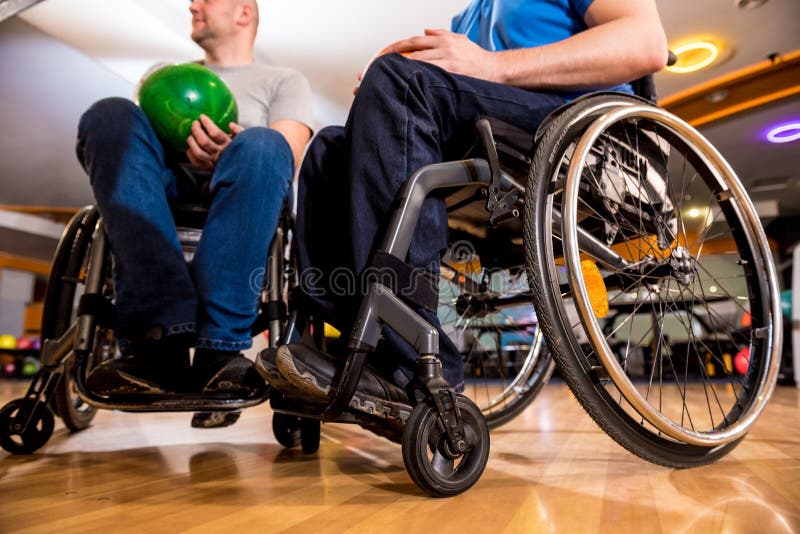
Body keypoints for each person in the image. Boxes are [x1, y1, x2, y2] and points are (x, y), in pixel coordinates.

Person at [260, 0, 667, 408]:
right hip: (509, 142)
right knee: (332, 148)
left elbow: (645, 43)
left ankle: (416, 359)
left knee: (399, 84)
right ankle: (352, 342)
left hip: (594, 140)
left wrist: (490, 67)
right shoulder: (471, 17)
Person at [76, 0, 313, 423]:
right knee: (109, 114)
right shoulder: (164, 76)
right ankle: (157, 340)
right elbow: (134, 151)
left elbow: (288, 155)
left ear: (243, 13)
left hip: (241, 190)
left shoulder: (283, 80)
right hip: (163, 190)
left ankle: (216, 350)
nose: (193, 4)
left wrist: (232, 149)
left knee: (263, 144)